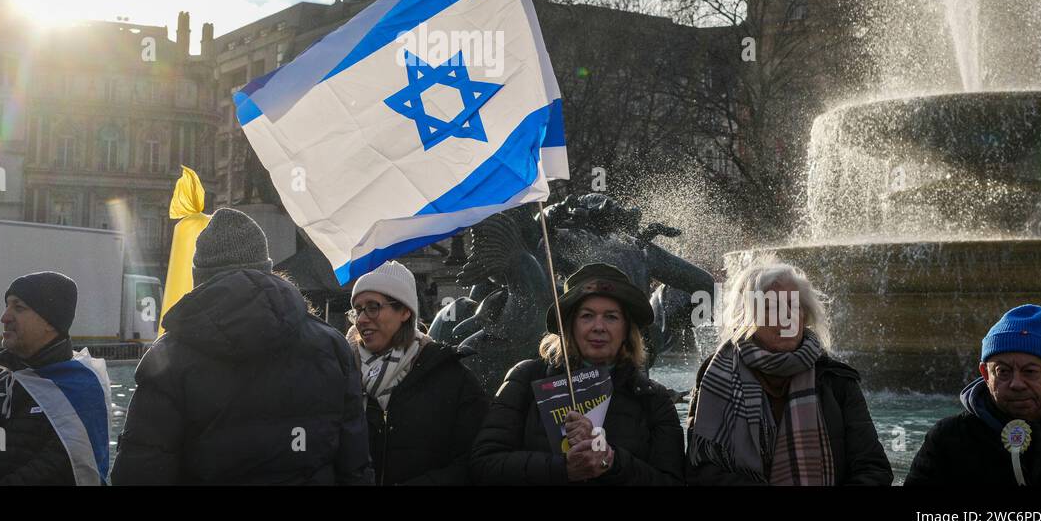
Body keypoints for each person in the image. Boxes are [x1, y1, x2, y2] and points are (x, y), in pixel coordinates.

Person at [111, 208, 372, 485]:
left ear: (199, 277)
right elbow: (353, 466)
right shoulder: (331, 345)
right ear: (267, 269)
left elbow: (142, 470)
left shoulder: (168, 357)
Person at [471, 263, 686, 485]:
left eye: (611, 317)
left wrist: (612, 461)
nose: (598, 327)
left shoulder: (652, 399)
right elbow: (485, 465)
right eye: (587, 316)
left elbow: (672, 480)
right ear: (569, 325)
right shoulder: (526, 379)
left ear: (626, 329)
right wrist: (563, 468)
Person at [686, 259, 892, 485]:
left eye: (793, 306)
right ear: (747, 317)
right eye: (771, 308)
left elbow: (873, 467)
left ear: (806, 315)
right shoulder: (715, 373)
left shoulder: (835, 380)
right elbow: (702, 470)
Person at [0, 271, 111, 485]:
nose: (4, 317)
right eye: (7, 306)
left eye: (18, 307)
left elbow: (56, 469)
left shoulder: (81, 389)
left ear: (50, 322)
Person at [905, 304, 1041, 486]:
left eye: (1030, 371)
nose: (1016, 384)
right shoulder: (947, 439)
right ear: (985, 375)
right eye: (1003, 372)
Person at [347, 260, 487, 485]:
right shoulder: (342, 377)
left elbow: (471, 462)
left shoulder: (453, 378)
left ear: (404, 311)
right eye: (358, 310)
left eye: (373, 307)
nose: (362, 319)